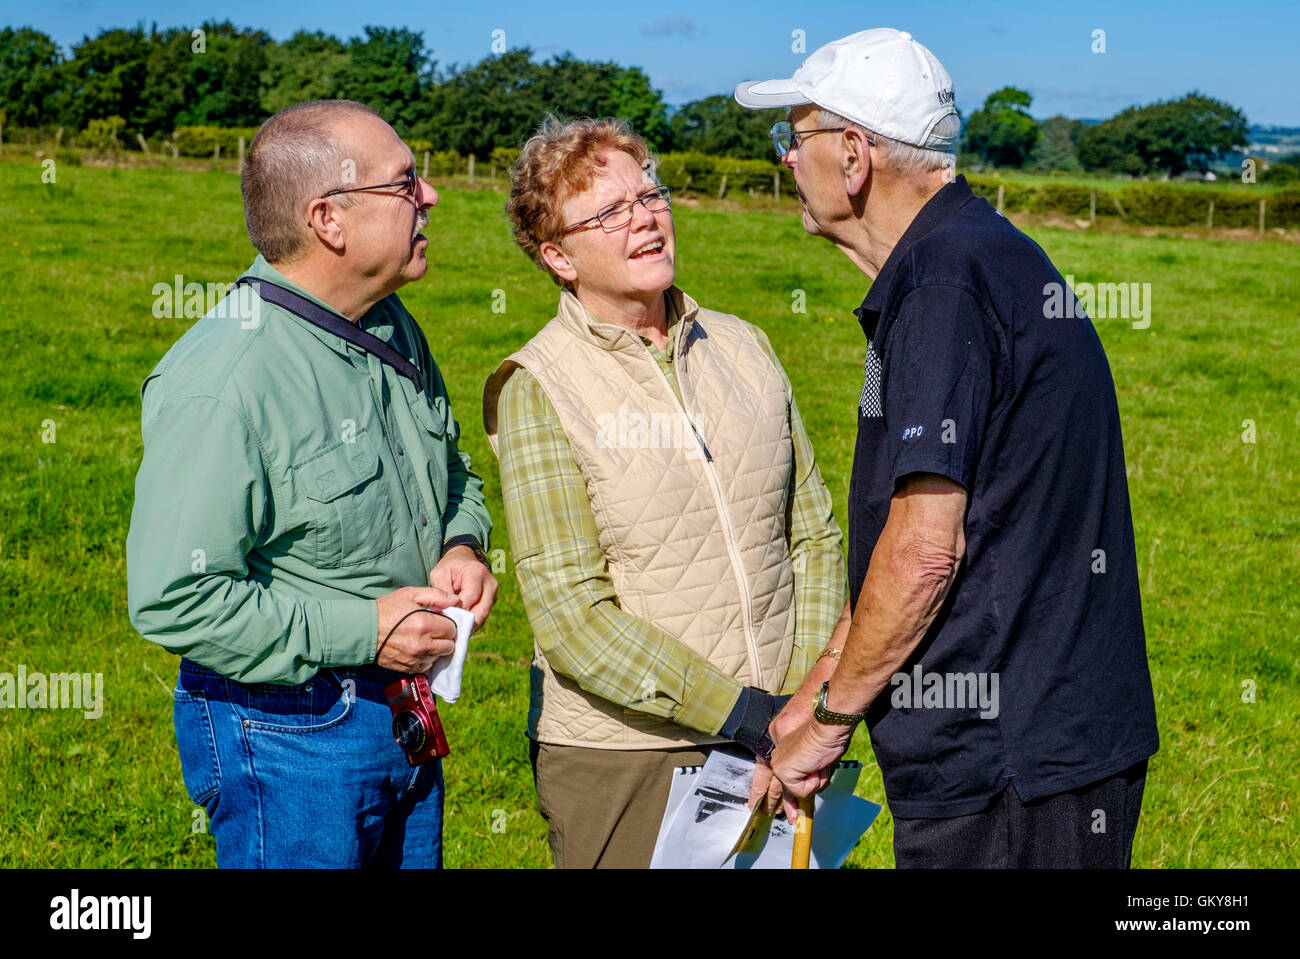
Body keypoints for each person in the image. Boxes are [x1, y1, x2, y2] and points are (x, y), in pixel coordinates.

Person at [734, 28, 1159, 868]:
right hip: (1041, 745)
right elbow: (907, 528)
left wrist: (826, 725)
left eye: (797, 135)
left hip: (1012, 763)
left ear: (853, 156)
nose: (786, 159)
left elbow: (927, 552)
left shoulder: (941, 283)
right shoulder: (973, 255)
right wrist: (823, 679)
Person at [126, 99, 497, 868]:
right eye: (406, 183)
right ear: (329, 219)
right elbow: (172, 597)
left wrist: (463, 540)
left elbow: (452, 466)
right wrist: (366, 632)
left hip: (402, 711)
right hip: (290, 733)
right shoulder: (225, 383)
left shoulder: (390, 323)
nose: (431, 196)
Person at [482, 115, 846, 868]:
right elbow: (572, 617)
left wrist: (802, 700)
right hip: (630, 757)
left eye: (650, 193)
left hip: (782, 735)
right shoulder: (538, 385)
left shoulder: (743, 344)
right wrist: (745, 714)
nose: (644, 216)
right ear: (557, 256)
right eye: (610, 212)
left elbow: (812, 534)